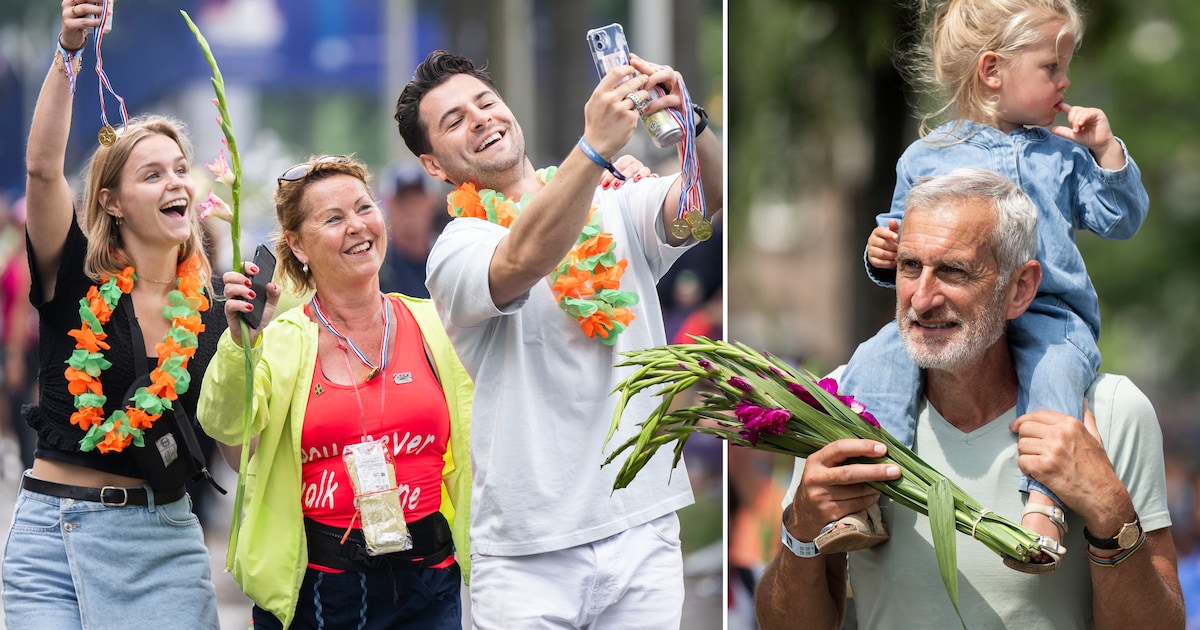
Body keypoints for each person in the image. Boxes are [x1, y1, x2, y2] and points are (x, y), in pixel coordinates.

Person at [755, 168, 1182, 629]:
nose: (921, 299)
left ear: (1020, 288)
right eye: (909, 266)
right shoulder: (842, 404)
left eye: (953, 271)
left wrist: (1109, 508)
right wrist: (800, 528)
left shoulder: (1113, 413)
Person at [394, 49, 723, 627]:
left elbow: (705, 201)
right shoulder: (457, 247)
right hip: (529, 555)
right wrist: (593, 150)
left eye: (486, 102)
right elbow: (522, 258)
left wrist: (690, 124)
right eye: (454, 121)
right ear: (434, 164)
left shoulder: (613, 199)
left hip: (642, 524)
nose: (480, 119)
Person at [836, 0, 1149, 563]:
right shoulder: (925, 157)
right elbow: (903, 242)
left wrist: (1107, 151)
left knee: (1055, 372)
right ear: (992, 70)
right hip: (956, 313)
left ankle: (1045, 505)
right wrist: (882, 251)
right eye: (1051, 68)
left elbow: (1120, 219)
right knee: (877, 358)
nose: (1065, 81)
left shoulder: (1064, 154)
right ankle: (865, 491)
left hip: (1050, 313)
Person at [0, 2, 225, 627]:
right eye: (152, 174)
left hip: (164, 547)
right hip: (53, 540)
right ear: (113, 202)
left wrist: (252, 343)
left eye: (181, 170)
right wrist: (68, 53)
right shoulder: (74, 277)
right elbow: (42, 169)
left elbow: (238, 449)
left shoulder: (214, 313)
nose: (175, 182)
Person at [197, 155, 474, 629]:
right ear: (297, 245)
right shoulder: (280, 341)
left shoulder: (435, 325)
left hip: (429, 581)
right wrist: (242, 346)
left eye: (364, 208)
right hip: (319, 591)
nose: (357, 226)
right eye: (333, 218)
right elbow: (234, 442)